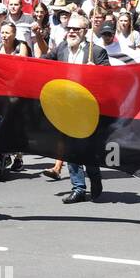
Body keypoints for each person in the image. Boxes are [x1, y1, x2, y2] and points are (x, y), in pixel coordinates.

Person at [39, 14, 109, 203]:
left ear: (85, 32)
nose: (71, 32)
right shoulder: (61, 48)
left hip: (88, 108)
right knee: (71, 149)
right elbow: (43, 62)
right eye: (69, 28)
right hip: (66, 106)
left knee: (88, 149)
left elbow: (109, 78)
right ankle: (78, 187)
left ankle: (94, 176)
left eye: (75, 29)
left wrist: (96, 71)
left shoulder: (97, 51)